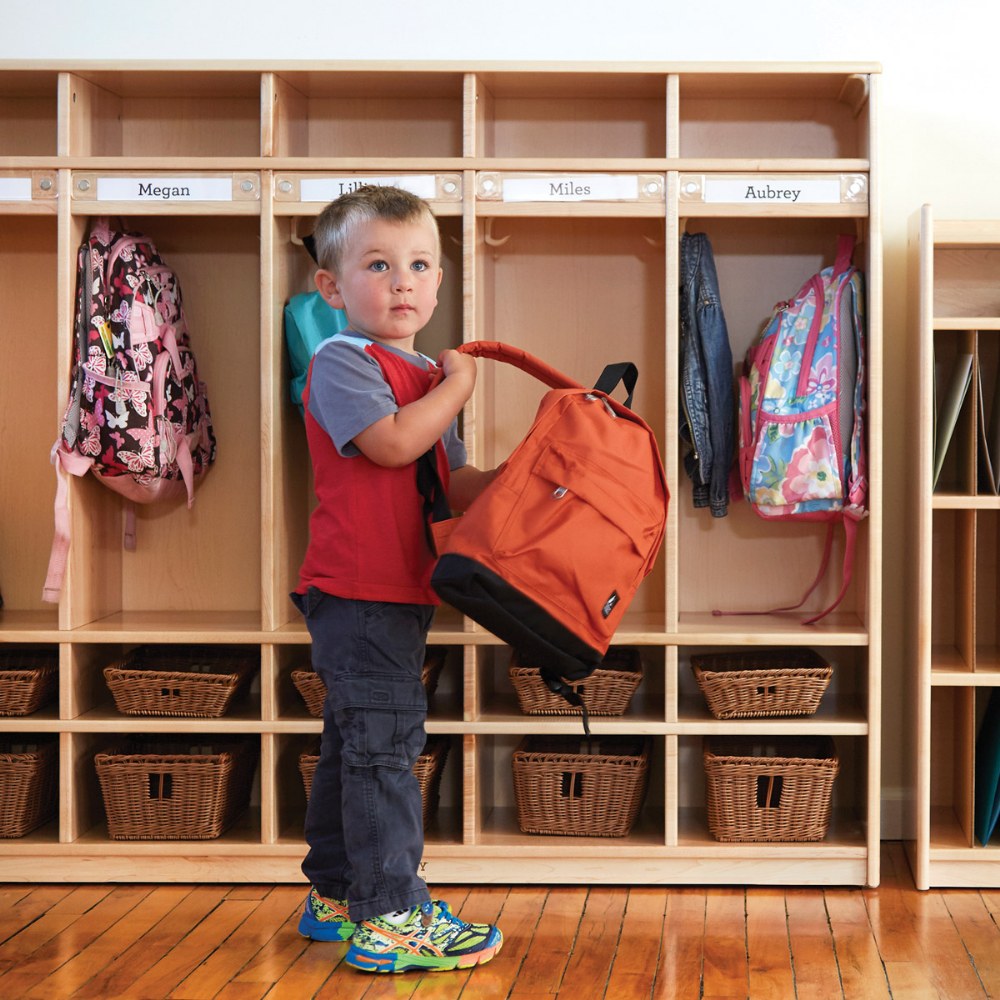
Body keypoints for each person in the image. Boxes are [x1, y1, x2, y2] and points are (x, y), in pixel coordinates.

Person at [290, 185, 503, 974]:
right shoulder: (343, 361)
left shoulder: (418, 372)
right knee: (384, 750)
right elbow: (389, 447)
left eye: (418, 265)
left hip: (394, 594)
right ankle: (391, 916)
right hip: (359, 594)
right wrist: (456, 388)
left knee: (358, 743)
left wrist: (522, 475)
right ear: (333, 286)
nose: (402, 282)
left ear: (439, 281)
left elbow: (445, 483)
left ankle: (339, 894)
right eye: (378, 265)